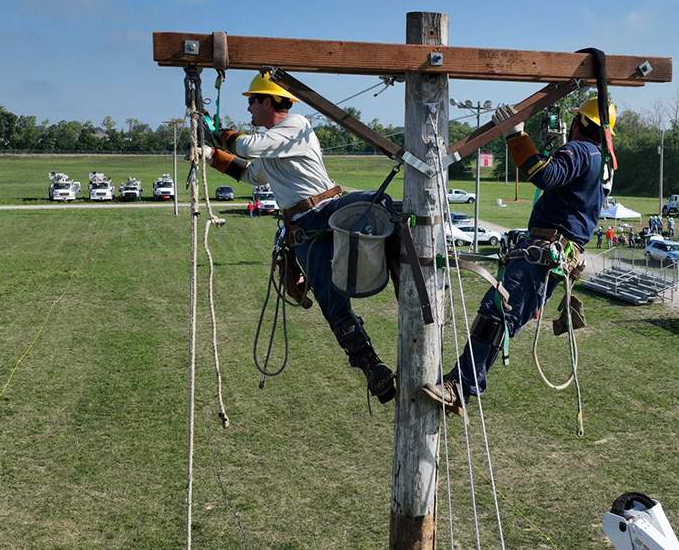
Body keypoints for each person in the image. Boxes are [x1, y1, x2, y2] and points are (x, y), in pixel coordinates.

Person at [199, 72, 398, 403]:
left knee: (377, 203)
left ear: (268, 101)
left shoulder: (296, 127)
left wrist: (219, 137)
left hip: (329, 209)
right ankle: (371, 366)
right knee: (331, 302)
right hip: (302, 228)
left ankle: (405, 263)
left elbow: (248, 145)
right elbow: (251, 173)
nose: (248, 107)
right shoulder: (272, 145)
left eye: (252, 100)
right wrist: (210, 156)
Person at [423, 96, 615, 417]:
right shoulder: (601, 160)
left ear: (581, 124)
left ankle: (462, 386)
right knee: (502, 315)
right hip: (553, 254)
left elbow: (544, 175)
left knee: (497, 312)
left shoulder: (581, 151)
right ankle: (462, 383)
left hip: (546, 253)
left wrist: (516, 134)